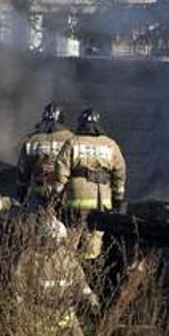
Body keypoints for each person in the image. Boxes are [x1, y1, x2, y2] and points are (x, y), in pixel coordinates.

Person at [54, 108, 126, 261]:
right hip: (102, 202)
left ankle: (68, 269)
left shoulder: (73, 142)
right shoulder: (110, 145)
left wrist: (56, 194)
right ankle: (89, 269)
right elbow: (120, 172)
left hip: (77, 200)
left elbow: (61, 169)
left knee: (71, 240)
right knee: (94, 242)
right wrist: (118, 198)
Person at [17, 102, 73, 205]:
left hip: (38, 191)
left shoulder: (31, 139)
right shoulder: (71, 138)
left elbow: (23, 170)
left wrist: (21, 195)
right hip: (63, 192)